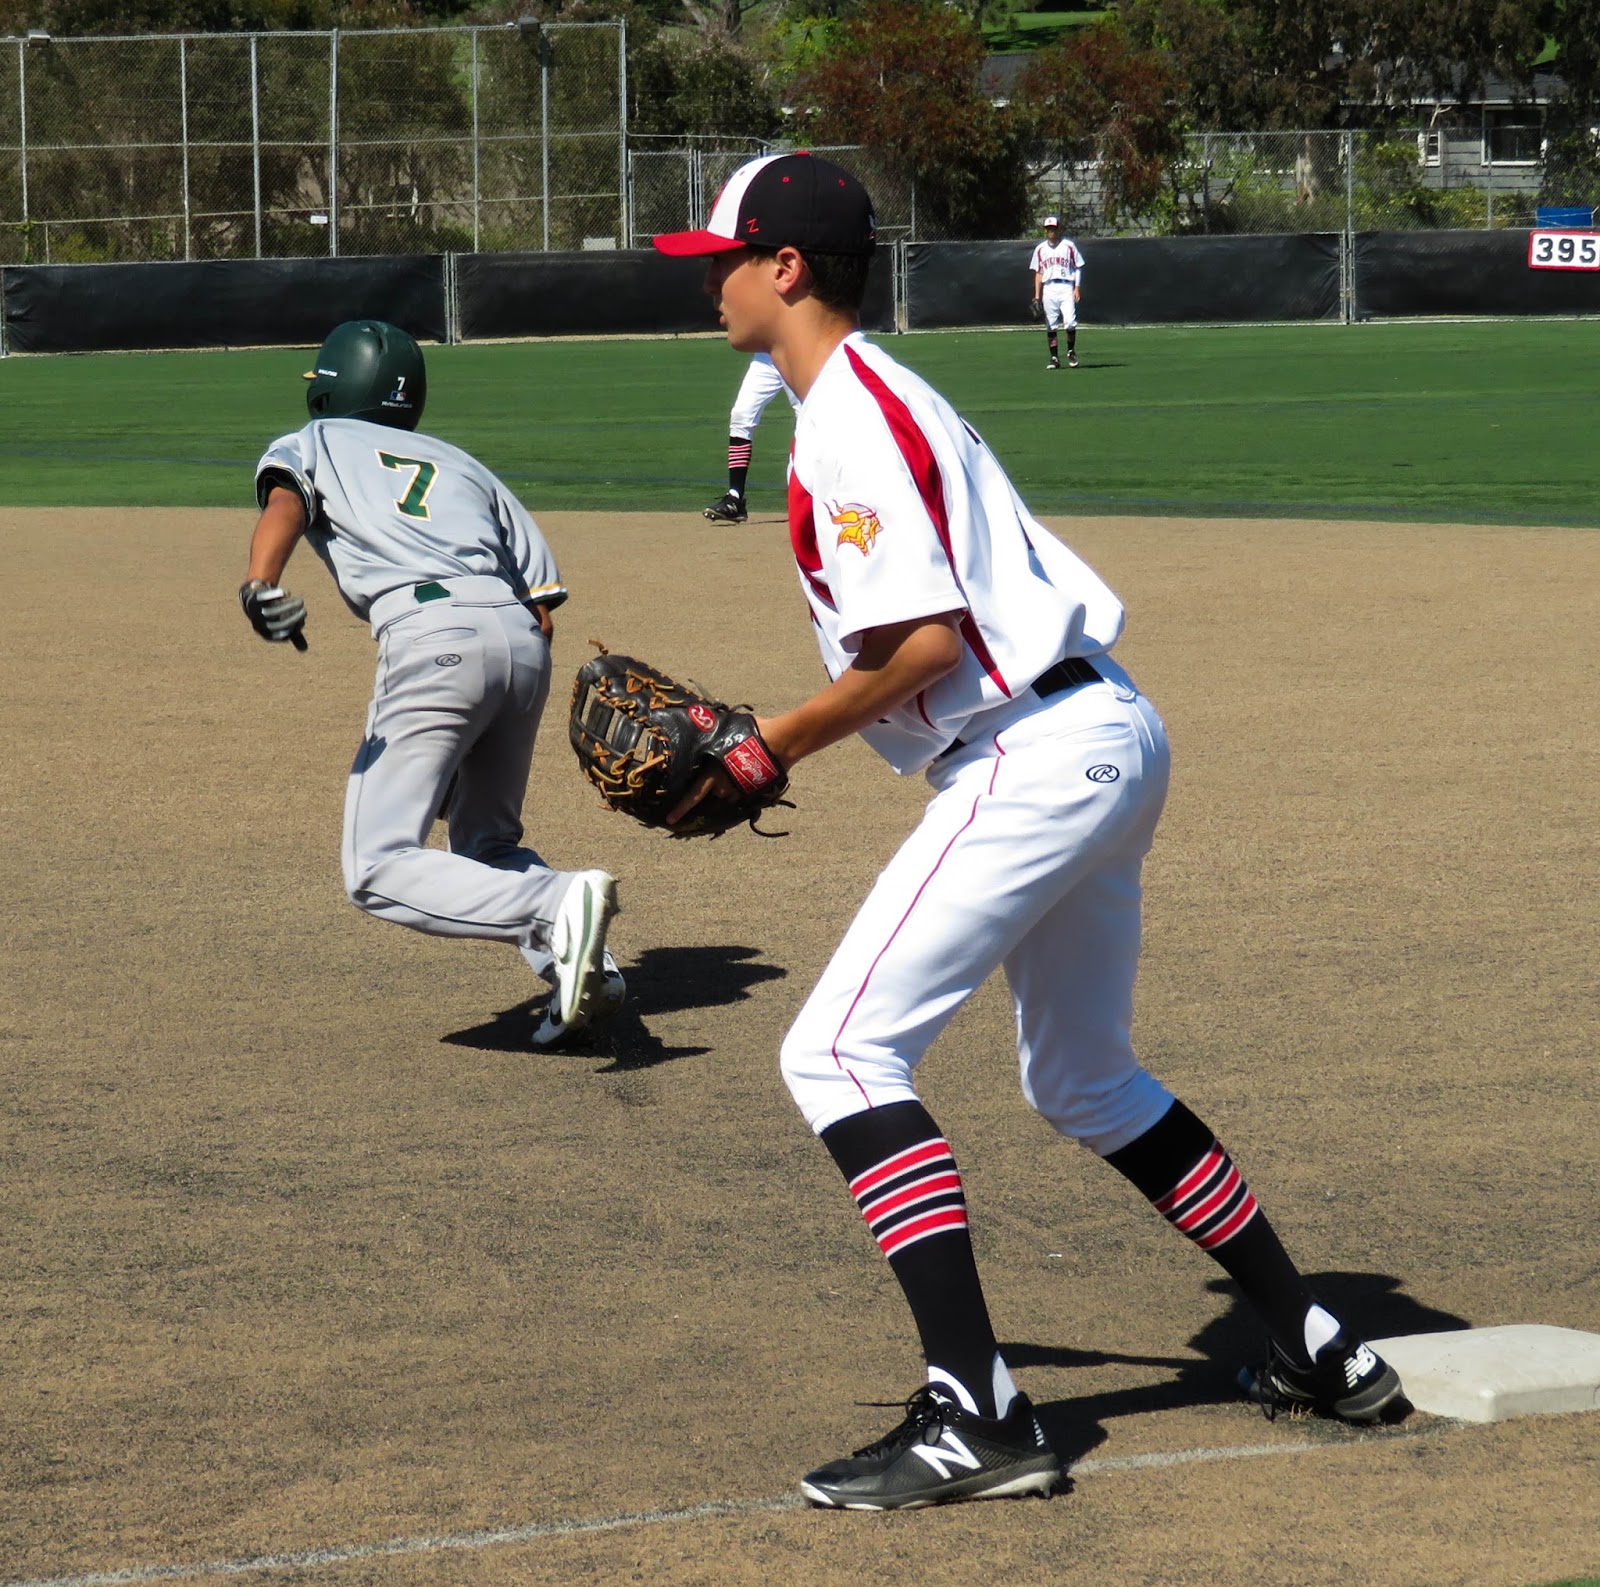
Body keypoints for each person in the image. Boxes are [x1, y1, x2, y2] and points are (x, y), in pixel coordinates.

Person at [654, 154, 1406, 1513]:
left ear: (785, 267)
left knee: (834, 1049)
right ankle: (1315, 1341)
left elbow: (927, 642)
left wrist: (772, 744)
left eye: (719, 256)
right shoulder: (864, 397)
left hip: (1033, 752)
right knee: (1083, 1076)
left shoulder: (846, 421)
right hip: (1095, 731)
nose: (703, 281)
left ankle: (977, 1409)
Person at [238, 318, 622, 1050]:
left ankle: (557, 901)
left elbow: (284, 504)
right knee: (485, 840)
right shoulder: (464, 464)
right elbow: (542, 605)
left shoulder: (312, 442)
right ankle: (589, 966)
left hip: (432, 638)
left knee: (377, 863)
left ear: (328, 384)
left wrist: (260, 585)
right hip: (520, 641)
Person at [702, 351, 801, 524]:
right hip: (765, 357)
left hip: (796, 353)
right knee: (741, 416)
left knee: (806, 417)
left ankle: (812, 495)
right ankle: (735, 499)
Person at [1030, 215, 1084, 370]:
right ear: (1046, 231)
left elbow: (1078, 266)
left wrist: (1077, 287)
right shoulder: (1040, 249)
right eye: (1048, 229)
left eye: (1053, 228)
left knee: (1070, 322)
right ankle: (1054, 357)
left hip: (1066, 286)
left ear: (1058, 229)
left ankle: (1071, 352)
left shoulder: (1068, 246)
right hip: (1049, 288)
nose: (1051, 231)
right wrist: (1037, 296)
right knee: (1051, 325)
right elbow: (1039, 273)